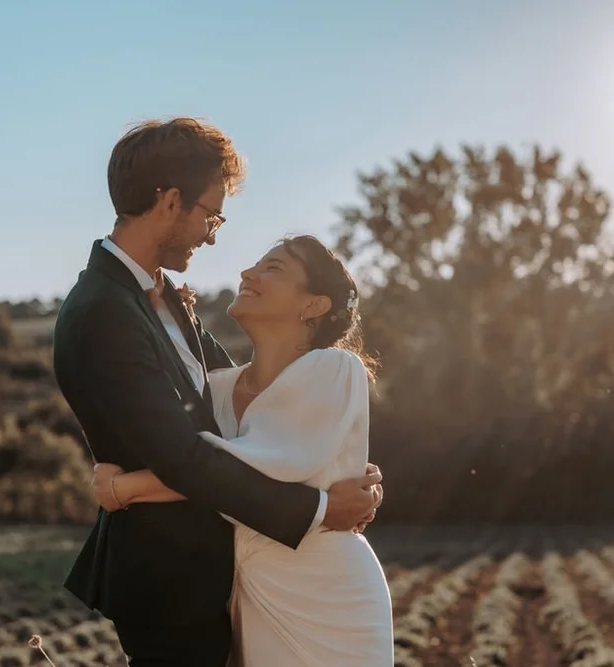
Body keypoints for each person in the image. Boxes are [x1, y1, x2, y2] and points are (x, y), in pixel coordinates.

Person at [51, 118, 383, 666]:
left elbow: (253, 421)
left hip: (233, 579)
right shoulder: (102, 314)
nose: (213, 234)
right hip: (168, 584)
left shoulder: (160, 299)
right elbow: (185, 456)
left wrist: (345, 467)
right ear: (169, 201)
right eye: (211, 215)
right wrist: (321, 507)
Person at [92, 235, 394, 665]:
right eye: (254, 264)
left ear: (314, 305)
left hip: (326, 596)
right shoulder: (217, 390)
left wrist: (124, 489)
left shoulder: (333, 368)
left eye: (273, 268)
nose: (247, 273)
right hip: (246, 597)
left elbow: (238, 474)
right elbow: (205, 471)